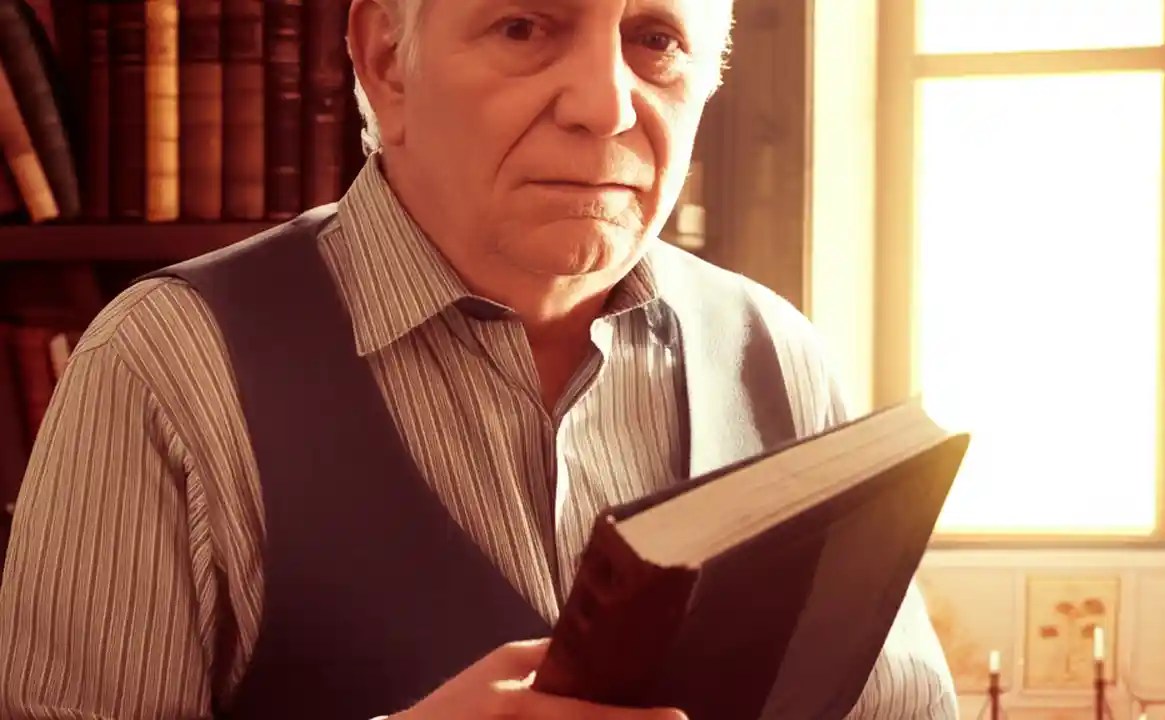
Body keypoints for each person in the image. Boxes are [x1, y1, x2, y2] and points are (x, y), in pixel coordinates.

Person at [0, 0, 958, 717]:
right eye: (524, 27)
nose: (605, 105)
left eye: (656, 39)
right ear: (387, 61)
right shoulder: (163, 369)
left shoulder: (779, 357)